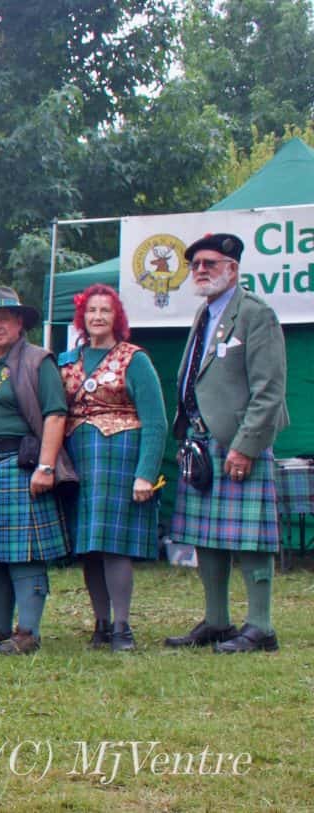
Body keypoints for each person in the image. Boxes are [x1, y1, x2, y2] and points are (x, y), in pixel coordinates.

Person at [165, 233, 290, 654]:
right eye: (196, 265)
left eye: (211, 264)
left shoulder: (256, 314)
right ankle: (217, 622)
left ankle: (261, 626)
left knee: (251, 538)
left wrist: (246, 446)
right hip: (201, 440)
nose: (201, 270)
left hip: (237, 440)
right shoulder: (206, 313)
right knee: (207, 537)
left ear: (232, 269)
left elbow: (269, 389)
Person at [0, 286, 71, 656]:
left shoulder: (38, 361)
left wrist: (46, 466)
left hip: (18, 466)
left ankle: (28, 631)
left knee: (25, 554)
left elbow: (55, 414)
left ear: (19, 322)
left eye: (5, 318)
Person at [59, 284, 167, 652]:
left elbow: (156, 421)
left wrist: (146, 474)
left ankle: (122, 626)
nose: (98, 317)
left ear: (117, 317)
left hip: (120, 459)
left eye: (105, 310)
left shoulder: (134, 359)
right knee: (89, 545)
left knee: (113, 544)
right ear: (82, 317)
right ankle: (101, 624)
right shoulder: (67, 361)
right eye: (91, 311)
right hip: (79, 462)